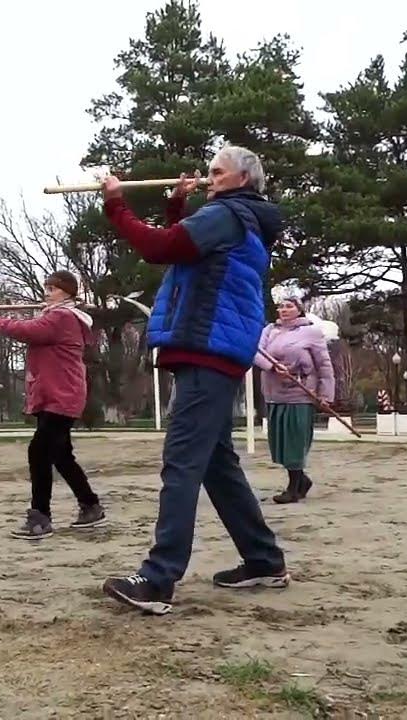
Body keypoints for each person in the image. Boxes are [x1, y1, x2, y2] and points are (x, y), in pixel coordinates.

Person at [97, 146, 289, 615]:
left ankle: (159, 579)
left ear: (243, 178)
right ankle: (263, 560)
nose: (209, 177)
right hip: (214, 351)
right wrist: (175, 208)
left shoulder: (228, 213)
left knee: (181, 462)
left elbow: (160, 248)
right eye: (208, 172)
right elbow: (188, 254)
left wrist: (116, 205)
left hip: (208, 350)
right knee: (216, 464)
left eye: (217, 172)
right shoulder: (235, 217)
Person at [0, 270, 106, 540]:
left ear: (68, 293)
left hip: (62, 396)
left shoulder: (61, 317)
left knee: (39, 452)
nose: (47, 291)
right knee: (60, 455)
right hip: (57, 394)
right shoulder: (59, 316)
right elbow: (39, 330)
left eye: (53, 288)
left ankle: (40, 518)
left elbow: (24, 331)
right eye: (46, 287)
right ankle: (90, 505)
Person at [254, 297, 334, 504]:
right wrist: (272, 367)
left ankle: (293, 487)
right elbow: (255, 353)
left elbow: (324, 365)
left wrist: (326, 395)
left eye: (289, 306)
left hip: (301, 393)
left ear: (299, 310)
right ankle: (302, 481)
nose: (284, 310)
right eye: (281, 306)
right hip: (274, 393)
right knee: (280, 443)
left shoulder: (311, 332)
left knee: (294, 443)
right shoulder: (269, 330)